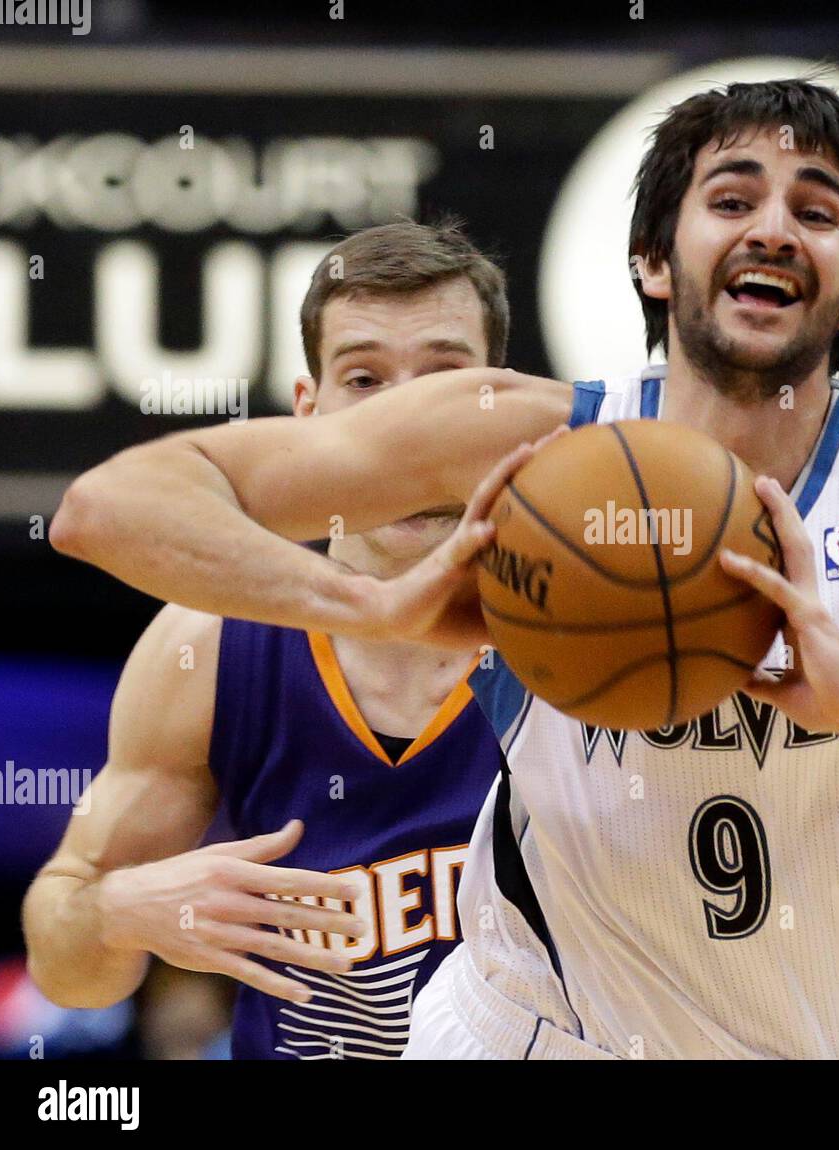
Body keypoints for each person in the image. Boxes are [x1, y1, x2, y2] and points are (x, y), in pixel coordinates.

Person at [50, 79, 839, 1060]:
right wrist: (369, 601)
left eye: (818, 208)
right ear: (650, 259)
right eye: (731, 196)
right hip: (537, 1036)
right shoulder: (527, 439)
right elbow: (111, 506)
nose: (773, 226)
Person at [25, 220, 512, 1059]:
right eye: (365, 379)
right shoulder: (212, 646)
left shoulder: (590, 637)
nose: (403, 417)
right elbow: (69, 967)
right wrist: (120, 911)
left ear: (502, 402)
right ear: (306, 413)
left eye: (443, 377)